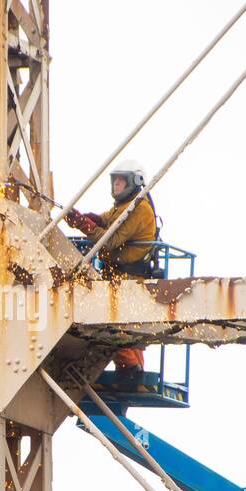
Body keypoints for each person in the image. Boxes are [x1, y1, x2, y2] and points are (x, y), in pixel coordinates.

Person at [64, 159, 158, 392]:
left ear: (134, 182)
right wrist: (92, 218)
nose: (116, 186)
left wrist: (84, 226)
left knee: (113, 326)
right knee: (127, 327)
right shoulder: (124, 206)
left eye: (120, 181)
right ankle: (133, 377)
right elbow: (108, 220)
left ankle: (129, 374)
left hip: (129, 278)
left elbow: (112, 240)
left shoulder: (140, 209)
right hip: (120, 276)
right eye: (114, 181)